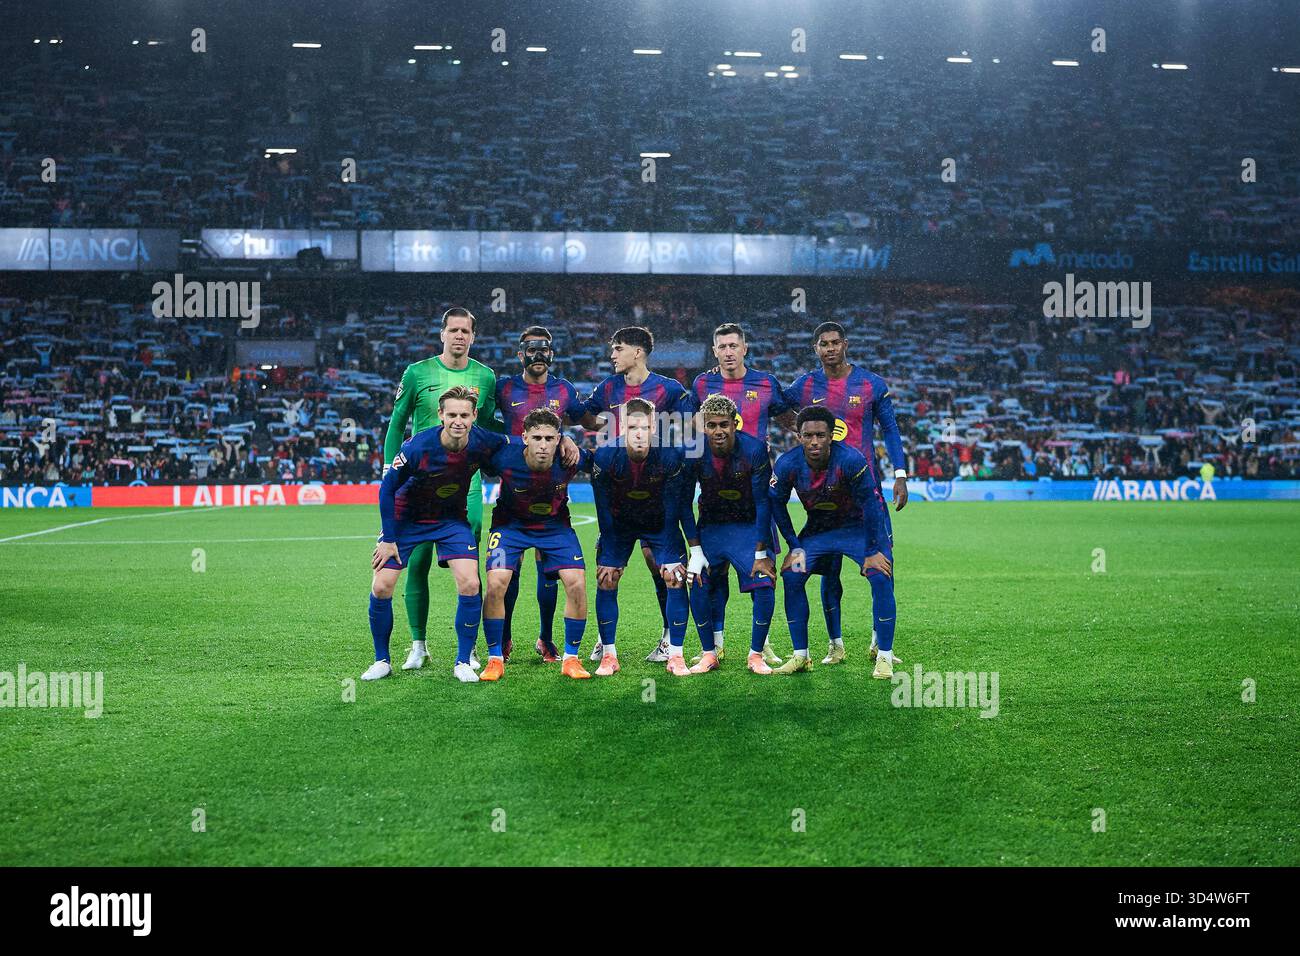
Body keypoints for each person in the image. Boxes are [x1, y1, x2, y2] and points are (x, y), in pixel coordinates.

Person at [363, 386, 507, 684]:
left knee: (470, 583)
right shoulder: (418, 446)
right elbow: (387, 488)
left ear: (474, 415)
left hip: (450, 519)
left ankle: (463, 660)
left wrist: (563, 442)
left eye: (464, 415)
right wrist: (388, 538)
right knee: (382, 586)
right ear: (440, 415)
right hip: (407, 518)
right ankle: (381, 660)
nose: (458, 421)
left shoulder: (483, 440)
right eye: (452, 414)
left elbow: (517, 443)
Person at [384, 307, 499, 673]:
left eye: (466, 331)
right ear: (442, 333)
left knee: (469, 562)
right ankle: (418, 645)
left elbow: (492, 424)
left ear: (473, 336)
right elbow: (397, 423)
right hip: (419, 483)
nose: (459, 336)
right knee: (416, 560)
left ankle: (468, 649)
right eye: (453, 330)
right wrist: (390, 469)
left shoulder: (486, 376)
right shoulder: (416, 372)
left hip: (466, 481)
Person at [784, 321, 906, 666]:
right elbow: (775, 405)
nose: (830, 348)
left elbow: (891, 429)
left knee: (884, 565)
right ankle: (835, 645)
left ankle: (880, 642)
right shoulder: (805, 385)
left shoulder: (870, 384)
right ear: (816, 349)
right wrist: (794, 431)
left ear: (845, 344)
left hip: (866, 492)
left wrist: (900, 473)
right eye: (823, 343)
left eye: (835, 342)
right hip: (826, 496)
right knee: (828, 570)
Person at [582, 327, 696, 663]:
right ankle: (606, 640)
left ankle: (667, 635)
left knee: (656, 563)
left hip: (655, 489)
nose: (612, 355)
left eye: (618, 349)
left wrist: (682, 454)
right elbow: (586, 416)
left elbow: (694, 423)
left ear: (638, 352)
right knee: (608, 567)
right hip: (617, 483)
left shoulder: (669, 389)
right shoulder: (608, 387)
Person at [494, 326, 602, 661]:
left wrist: (568, 434)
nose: (538, 355)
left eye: (544, 349)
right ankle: (506, 637)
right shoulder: (504, 388)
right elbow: (482, 420)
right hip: (514, 488)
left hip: (553, 490)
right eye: (531, 349)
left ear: (552, 354)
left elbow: (590, 421)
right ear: (520, 354)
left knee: (549, 568)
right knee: (508, 569)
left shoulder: (564, 390)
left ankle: (545, 638)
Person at [690, 322, 793, 665]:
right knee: (711, 579)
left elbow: (789, 417)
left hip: (754, 479)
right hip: (715, 490)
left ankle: (761, 646)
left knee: (762, 574)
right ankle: (714, 647)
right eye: (723, 346)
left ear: (745, 348)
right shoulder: (702, 384)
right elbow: (692, 422)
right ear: (715, 350)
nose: (729, 351)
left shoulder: (766, 383)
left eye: (735, 345)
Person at [768, 406, 897, 679]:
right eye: (808, 435)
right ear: (799, 436)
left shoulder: (851, 460)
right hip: (819, 529)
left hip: (858, 528)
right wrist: (794, 546)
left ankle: (884, 656)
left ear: (831, 436)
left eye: (820, 435)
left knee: (881, 575)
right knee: (791, 576)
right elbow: (776, 505)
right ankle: (801, 656)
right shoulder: (787, 463)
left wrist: (873, 550)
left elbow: (873, 506)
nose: (814, 441)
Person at [589, 398, 702, 677]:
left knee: (675, 577)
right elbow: (602, 506)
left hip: (659, 524)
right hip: (620, 525)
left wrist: (693, 547)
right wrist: (606, 540)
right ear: (623, 427)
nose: (639, 432)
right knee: (606, 576)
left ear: (653, 426)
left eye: (644, 426)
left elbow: (681, 506)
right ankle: (609, 655)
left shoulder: (670, 456)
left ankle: (676, 655)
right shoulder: (605, 457)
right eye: (632, 426)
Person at [479, 408, 594, 681]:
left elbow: (608, 464)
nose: (543, 445)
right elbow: (471, 457)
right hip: (510, 526)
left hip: (555, 527)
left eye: (550, 438)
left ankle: (571, 659)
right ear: (524, 437)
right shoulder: (504, 456)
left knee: (576, 582)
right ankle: (495, 658)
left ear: (559, 439)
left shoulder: (570, 458)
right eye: (537, 437)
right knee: (496, 582)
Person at [679, 395, 779, 675]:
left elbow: (763, 502)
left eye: (724, 424)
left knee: (764, 580)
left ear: (735, 424)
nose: (718, 431)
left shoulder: (755, 449)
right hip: (711, 526)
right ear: (703, 427)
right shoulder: (693, 451)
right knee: (697, 578)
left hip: (749, 526)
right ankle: (709, 653)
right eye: (711, 425)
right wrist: (695, 551)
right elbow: (683, 504)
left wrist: (761, 553)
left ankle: (756, 655)